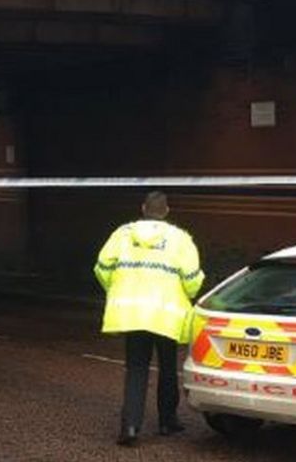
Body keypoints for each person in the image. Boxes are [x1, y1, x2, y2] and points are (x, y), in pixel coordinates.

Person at [93, 191, 205, 446]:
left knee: (136, 368)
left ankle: (130, 427)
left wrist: (117, 288)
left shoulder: (121, 235)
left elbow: (102, 267)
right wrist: (186, 293)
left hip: (132, 312)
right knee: (167, 367)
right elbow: (192, 280)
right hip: (167, 314)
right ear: (167, 211)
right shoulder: (180, 239)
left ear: (143, 208)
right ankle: (167, 421)